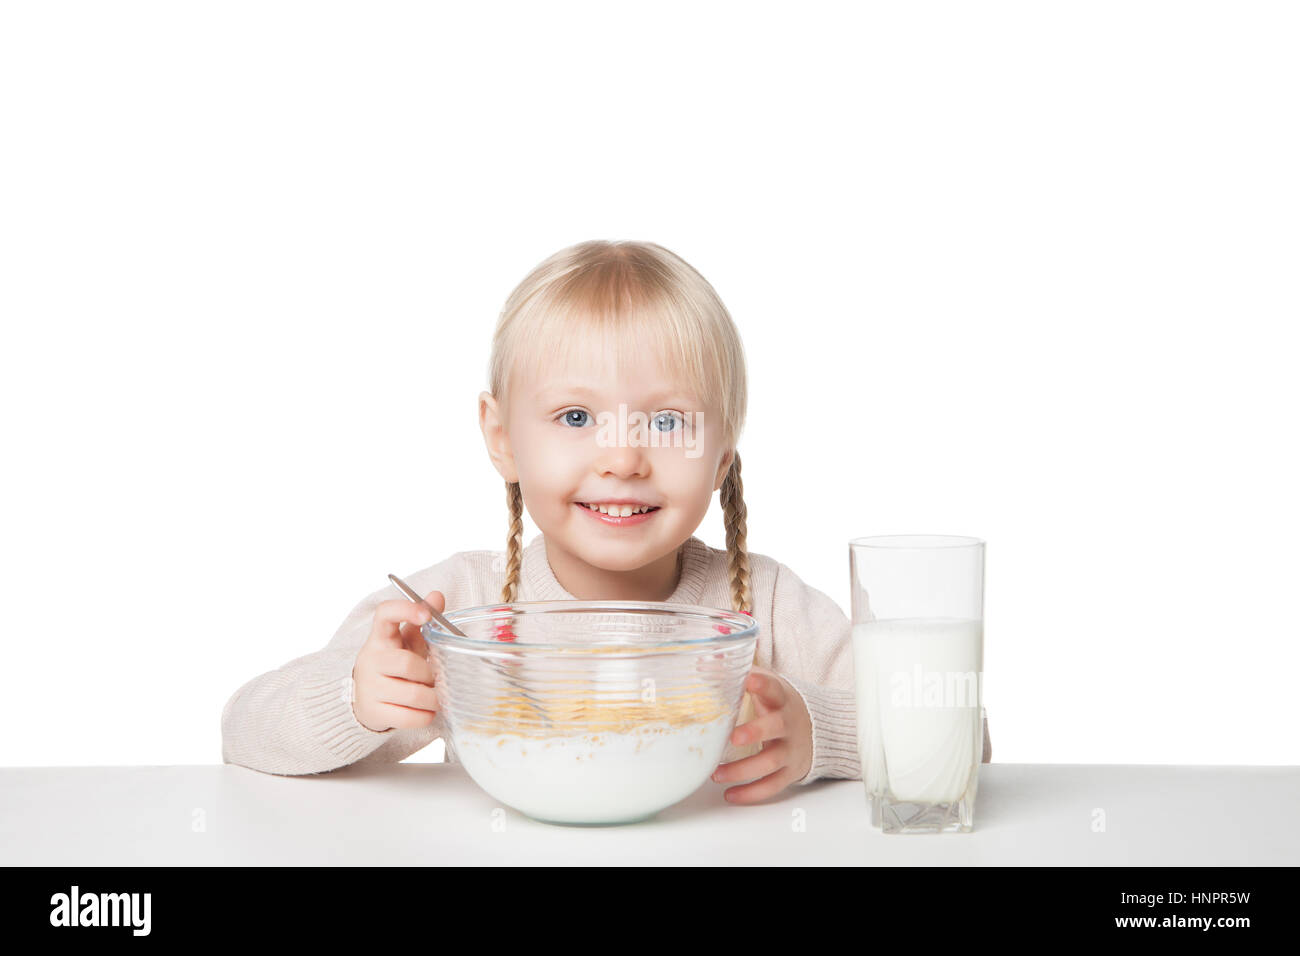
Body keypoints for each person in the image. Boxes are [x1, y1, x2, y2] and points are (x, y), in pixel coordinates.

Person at [221, 239, 992, 804]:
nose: (622, 458)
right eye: (577, 415)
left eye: (667, 422)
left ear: (721, 451)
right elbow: (243, 730)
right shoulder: (456, 615)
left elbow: (963, 740)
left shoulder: (764, 605)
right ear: (501, 438)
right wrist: (358, 700)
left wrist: (820, 734)